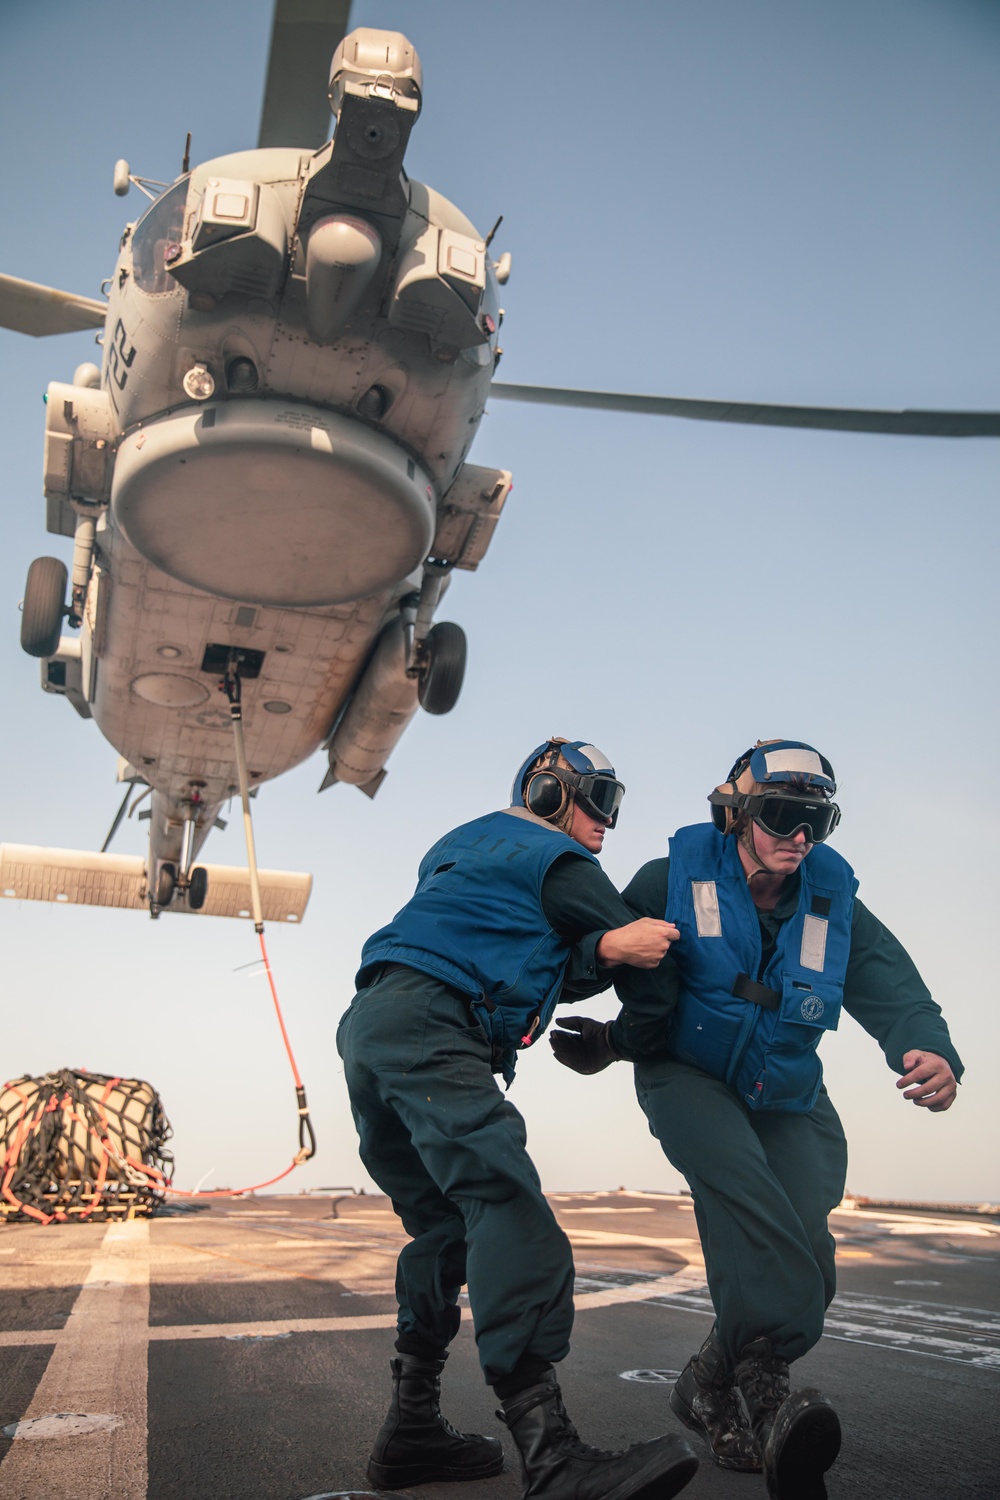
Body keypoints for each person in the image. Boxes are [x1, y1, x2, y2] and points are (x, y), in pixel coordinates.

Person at [549, 739, 962, 1500]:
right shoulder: (670, 879)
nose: (799, 837)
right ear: (736, 814)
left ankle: (707, 1383)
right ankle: (771, 1403)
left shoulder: (832, 900)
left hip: (785, 1083)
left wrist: (929, 1050)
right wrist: (605, 1036)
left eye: (816, 822)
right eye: (781, 816)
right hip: (688, 1073)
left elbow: (891, 984)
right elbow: (578, 957)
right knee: (745, 1195)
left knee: (808, 1247)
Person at [337, 738, 699, 1500]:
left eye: (614, 803)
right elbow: (653, 967)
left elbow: (511, 948)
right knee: (506, 1205)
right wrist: (616, 1040)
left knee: (443, 1229)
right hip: (438, 1028)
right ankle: (553, 1458)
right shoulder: (560, 863)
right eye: (595, 800)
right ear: (545, 796)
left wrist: (595, 945)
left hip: (372, 1025)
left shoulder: (457, 849)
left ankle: (410, 1431)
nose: (606, 822)